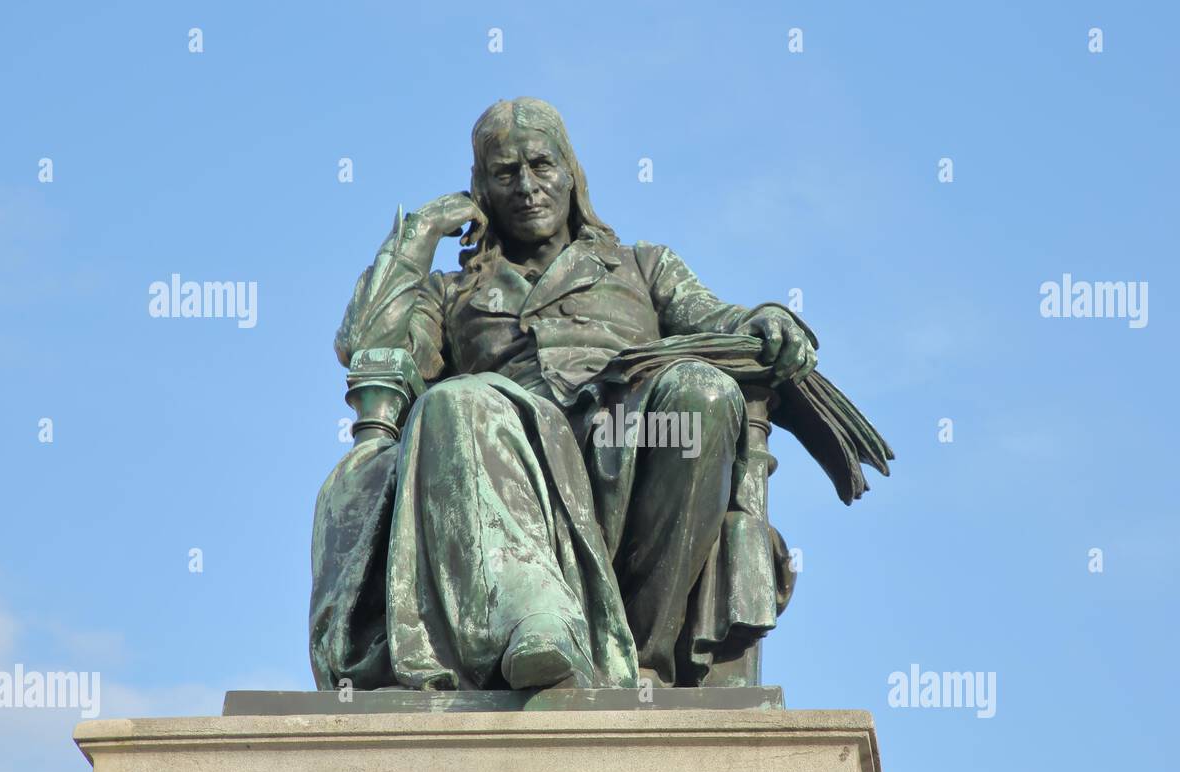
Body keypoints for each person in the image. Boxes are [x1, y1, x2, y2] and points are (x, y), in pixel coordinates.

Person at [310, 97, 817, 692]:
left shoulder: (641, 266)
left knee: (703, 393)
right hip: (507, 454)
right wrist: (416, 237)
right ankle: (538, 621)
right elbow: (369, 343)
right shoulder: (453, 294)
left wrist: (769, 318)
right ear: (483, 190)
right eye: (505, 173)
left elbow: (716, 318)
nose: (526, 186)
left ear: (571, 173)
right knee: (455, 401)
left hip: (624, 444)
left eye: (541, 165)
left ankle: (640, 658)